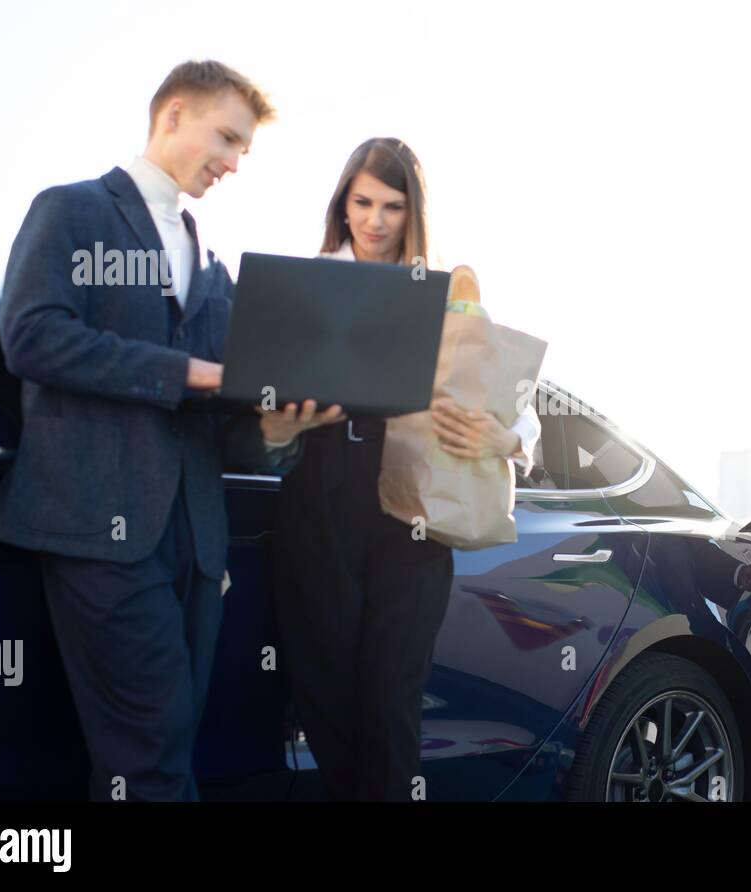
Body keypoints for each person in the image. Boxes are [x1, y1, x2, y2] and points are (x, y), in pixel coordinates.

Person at [0, 60, 345, 802]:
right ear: (173, 114)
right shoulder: (72, 210)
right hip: (98, 531)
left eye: (245, 150)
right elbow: (33, 337)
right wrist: (193, 374)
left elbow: (225, 419)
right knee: (147, 754)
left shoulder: (210, 267)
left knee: (165, 743)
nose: (236, 163)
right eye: (228, 138)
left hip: (198, 543)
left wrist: (275, 424)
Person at [272, 137, 539, 801]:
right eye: (362, 202)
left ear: (413, 210)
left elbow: (514, 399)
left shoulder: (450, 295)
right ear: (342, 204)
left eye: (393, 205)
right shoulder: (304, 287)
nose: (376, 220)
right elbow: (262, 413)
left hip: (413, 518)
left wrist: (502, 435)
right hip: (316, 510)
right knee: (326, 707)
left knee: (390, 709)